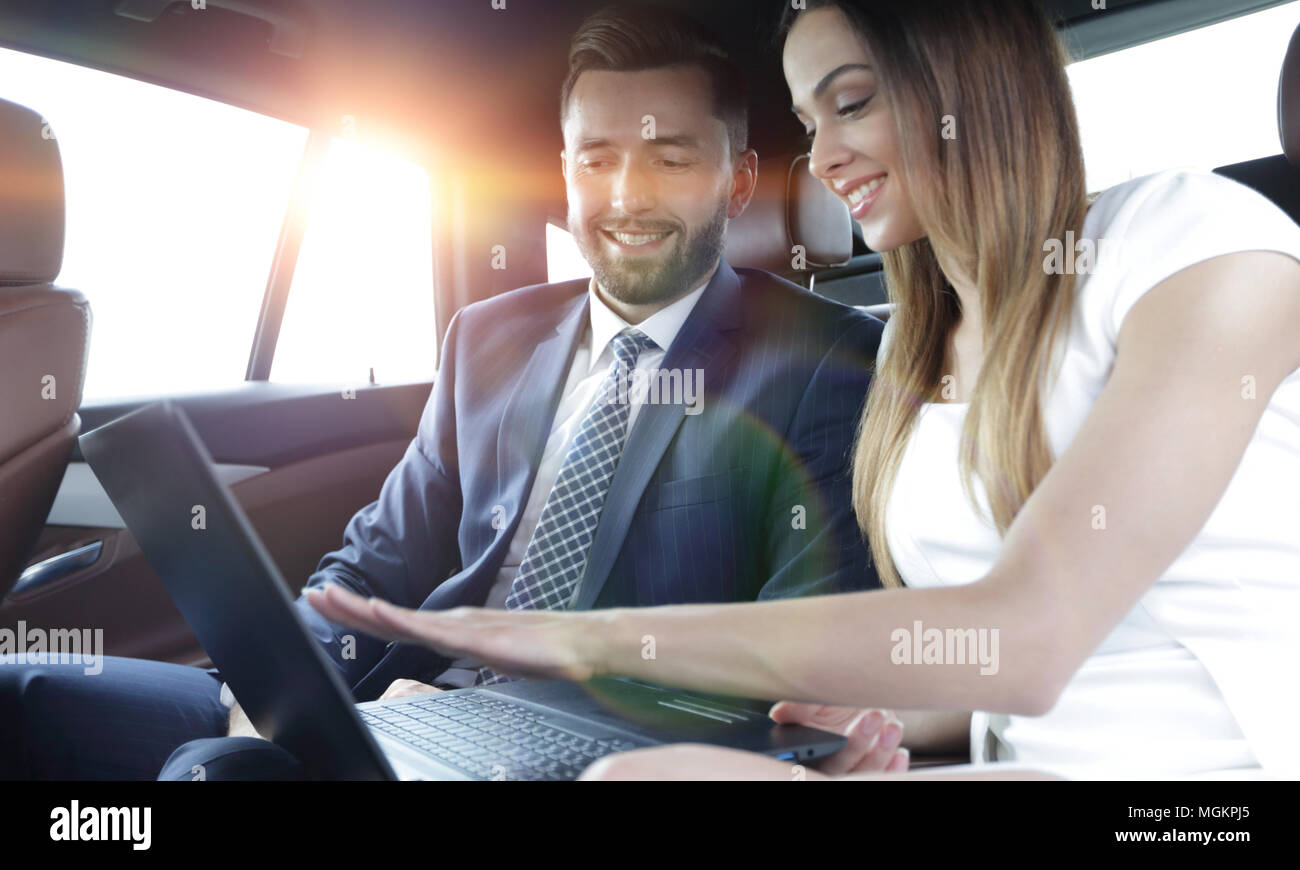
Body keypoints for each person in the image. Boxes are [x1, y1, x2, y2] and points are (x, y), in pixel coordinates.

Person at [308, 0, 1300, 781]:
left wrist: (563, 639)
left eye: (853, 101)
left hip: (1206, 789)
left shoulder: (1194, 242)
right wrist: (850, 717)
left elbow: (1028, 638)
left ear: (970, 78)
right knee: (635, 780)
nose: (821, 159)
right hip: (1021, 769)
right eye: (807, 119)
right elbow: (973, 681)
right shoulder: (918, 346)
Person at [0, 5, 889, 781]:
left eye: (669, 158)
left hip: (590, 750)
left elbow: (793, 667)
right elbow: (368, 570)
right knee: (22, 694)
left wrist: (482, 720)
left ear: (737, 180)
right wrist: (275, 695)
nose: (626, 194)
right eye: (597, 158)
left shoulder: (827, 359)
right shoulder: (488, 339)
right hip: (383, 704)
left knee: (215, 775)